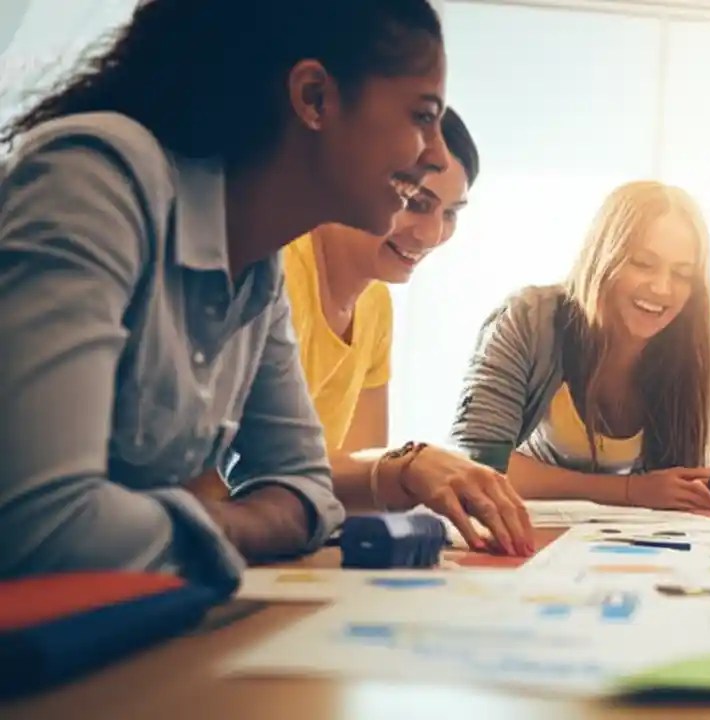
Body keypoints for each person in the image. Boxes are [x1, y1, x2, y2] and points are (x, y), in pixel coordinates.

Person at [0, 0, 448, 587]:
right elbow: (47, 530)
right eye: (422, 116)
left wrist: (191, 525)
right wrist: (236, 523)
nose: (435, 155)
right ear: (314, 98)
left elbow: (310, 493)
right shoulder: (90, 183)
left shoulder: (256, 263)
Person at [282, 108, 533, 556]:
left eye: (451, 213)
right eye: (416, 203)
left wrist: (404, 469)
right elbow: (237, 478)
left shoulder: (374, 304)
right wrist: (408, 465)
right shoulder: (278, 272)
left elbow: (359, 483)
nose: (433, 234)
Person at [450, 180, 710, 512]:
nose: (663, 288)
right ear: (603, 255)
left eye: (682, 274)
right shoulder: (529, 319)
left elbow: (676, 490)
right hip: (524, 532)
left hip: (617, 542)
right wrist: (627, 491)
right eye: (642, 264)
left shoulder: (687, 348)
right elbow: (476, 463)